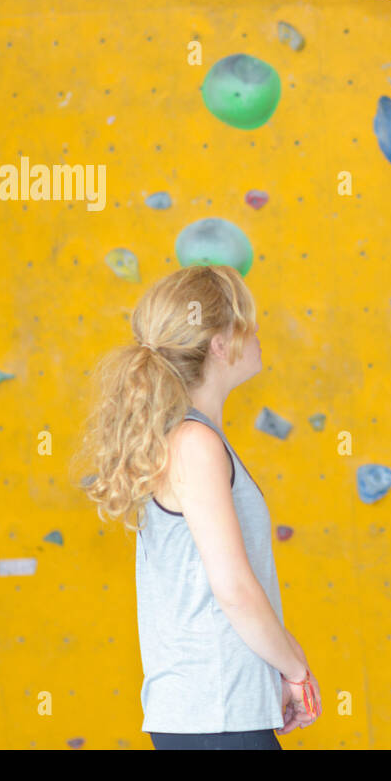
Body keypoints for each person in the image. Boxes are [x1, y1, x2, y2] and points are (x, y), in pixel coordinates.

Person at [73, 265, 322, 749]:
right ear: (220, 344)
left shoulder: (192, 439)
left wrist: (287, 663)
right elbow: (231, 587)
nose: (257, 334)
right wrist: (295, 670)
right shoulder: (194, 444)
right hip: (214, 712)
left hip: (216, 711)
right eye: (246, 323)